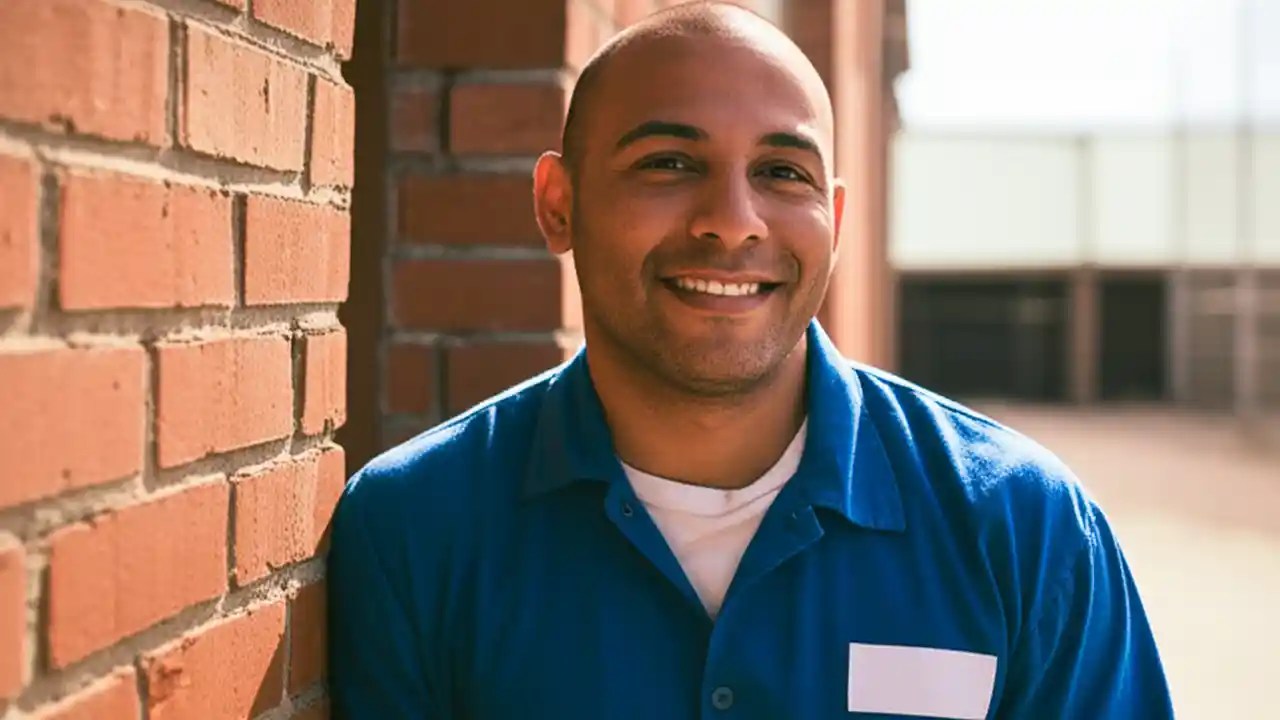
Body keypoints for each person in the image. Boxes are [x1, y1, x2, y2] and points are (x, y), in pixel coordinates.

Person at [328, 2, 1174, 717]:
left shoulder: (1025, 529)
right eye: (668, 162)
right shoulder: (416, 528)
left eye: (781, 171)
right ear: (559, 205)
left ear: (835, 223)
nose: (732, 222)